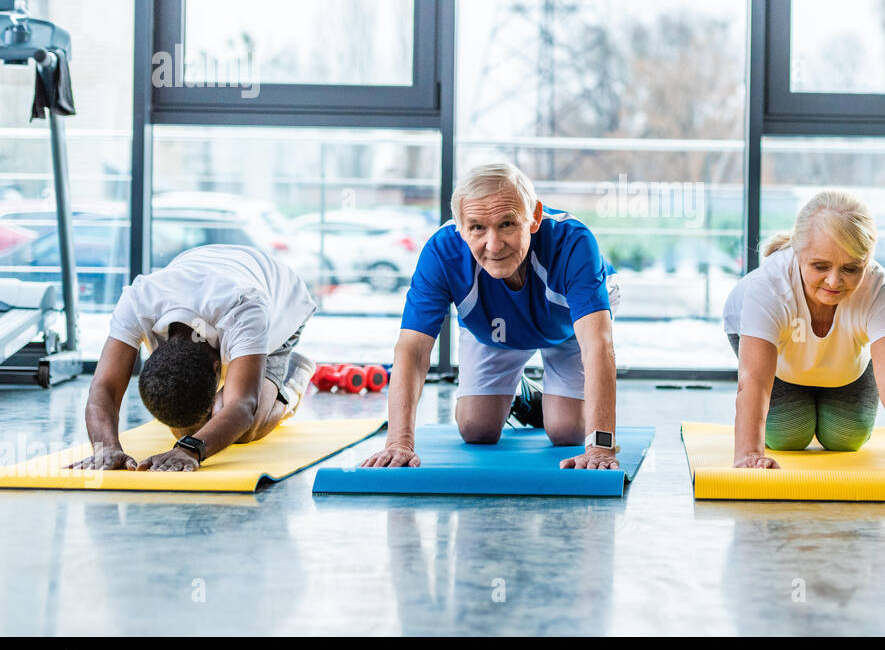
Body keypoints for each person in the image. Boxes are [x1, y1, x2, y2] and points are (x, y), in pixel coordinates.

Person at [361, 162, 621, 471]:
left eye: (507, 224)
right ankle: (522, 394)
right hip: (492, 321)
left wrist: (600, 447)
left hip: (568, 323)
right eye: (477, 228)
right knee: (476, 428)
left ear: (534, 218)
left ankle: (553, 402)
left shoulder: (573, 242)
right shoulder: (441, 253)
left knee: (568, 431)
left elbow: (597, 345)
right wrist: (398, 442)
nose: (494, 245)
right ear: (459, 227)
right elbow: (412, 349)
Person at [722, 190, 885, 471]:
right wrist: (748, 454)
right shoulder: (769, 286)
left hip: (843, 365)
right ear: (798, 253)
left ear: (867, 259)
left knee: (847, 437)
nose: (834, 281)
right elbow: (754, 381)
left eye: (850, 269)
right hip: (780, 363)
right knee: (790, 434)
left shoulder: (880, 288)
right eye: (820, 266)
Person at [71, 243, 317, 472]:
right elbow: (104, 387)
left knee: (245, 430)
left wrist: (190, 450)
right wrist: (106, 449)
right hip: (210, 271)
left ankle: (294, 379)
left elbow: (242, 406)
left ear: (218, 367)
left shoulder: (244, 309)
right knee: (189, 430)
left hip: (281, 304)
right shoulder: (138, 301)